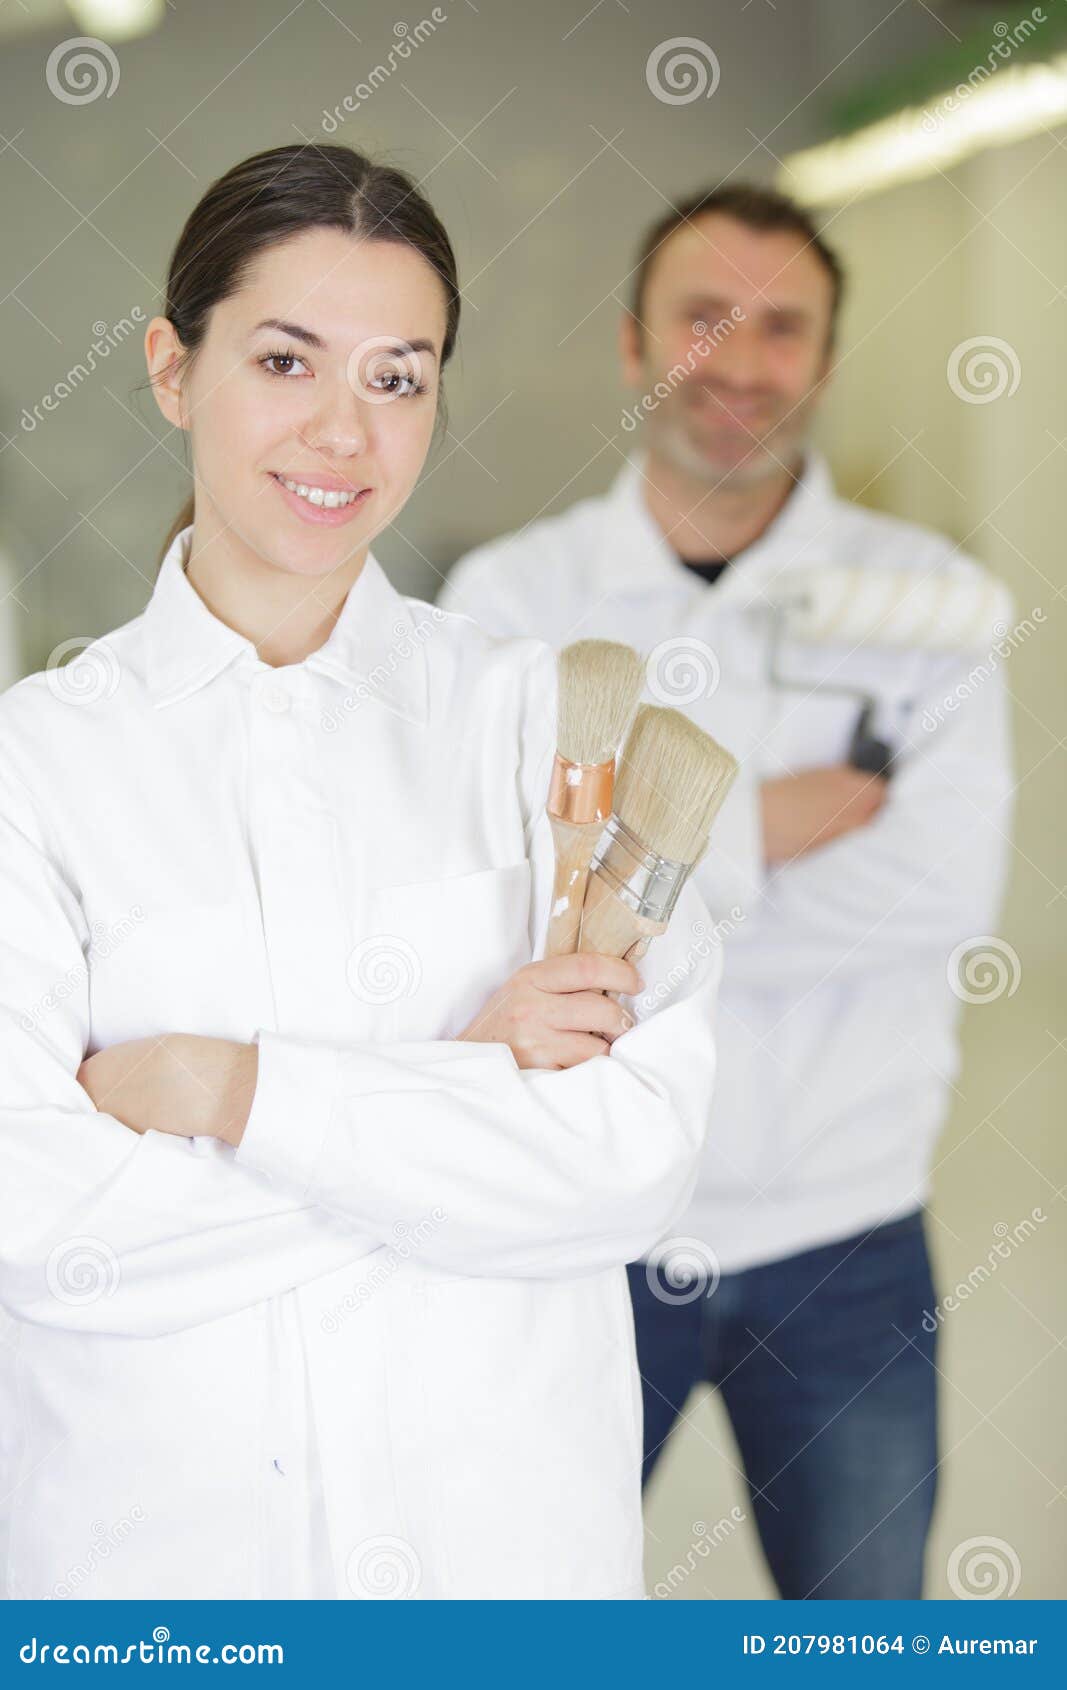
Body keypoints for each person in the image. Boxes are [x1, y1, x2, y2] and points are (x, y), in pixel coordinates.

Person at [0, 143, 723, 1602]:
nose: (345, 430)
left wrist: (229, 1089)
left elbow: (630, 1166)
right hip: (162, 1581)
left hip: (510, 1573)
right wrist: (467, 1091)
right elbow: (41, 1224)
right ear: (168, 368)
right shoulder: (36, 769)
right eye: (286, 360)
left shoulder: (549, 726)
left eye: (399, 376)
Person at [440, 185, 1014, 1599]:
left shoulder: (931, 604)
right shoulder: (513, 595)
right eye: (705, 318)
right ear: (635, 346)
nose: (742, 363)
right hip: (579, 1232)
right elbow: (492, 909)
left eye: (782, 327)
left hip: (843, 1239)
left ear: (822, 359)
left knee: (861, 1632)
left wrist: (624, 916)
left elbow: (939, 892)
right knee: (514, 1613)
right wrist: (764, 829)